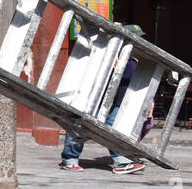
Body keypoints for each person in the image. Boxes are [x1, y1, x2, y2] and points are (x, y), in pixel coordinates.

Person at [59, 24, 150, 175]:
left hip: (116, 102)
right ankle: (69, 159)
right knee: (80, 127)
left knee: (112, 131)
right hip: (98, 98)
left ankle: (120, 160)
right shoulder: (112, 53)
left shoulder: (132, 56)